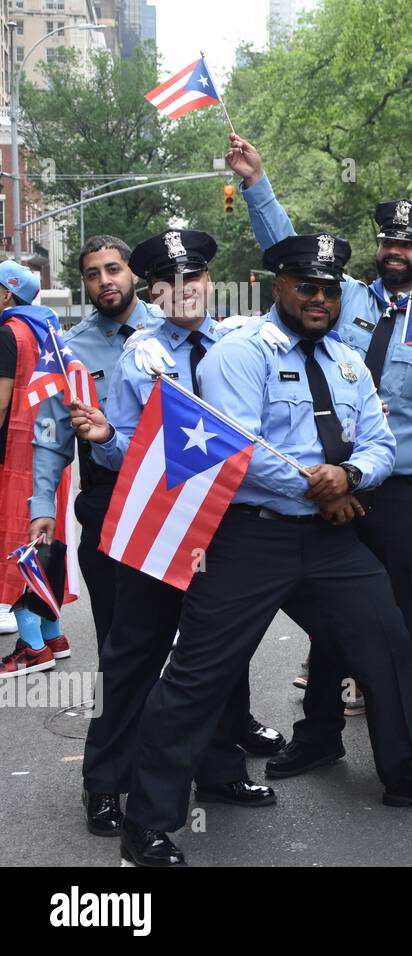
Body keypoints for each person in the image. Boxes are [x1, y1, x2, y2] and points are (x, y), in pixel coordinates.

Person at [118, 233, 412, 866]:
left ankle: (408, 776)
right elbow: (238, 447)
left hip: (331, 539)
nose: (319, 298)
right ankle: (147, 822)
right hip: (251, 537)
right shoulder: (239, 353)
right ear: (276, 286)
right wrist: (321, 487)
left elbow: (380, 442)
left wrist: (354, 478)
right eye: (305, 285)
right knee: (198, 675)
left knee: (389, 646)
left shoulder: (347, 361)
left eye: (330, 288)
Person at [225, 134, 412, 770]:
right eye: (386, 241)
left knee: (394, 625)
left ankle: (398, 758)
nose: (393, 252)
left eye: (406, 244)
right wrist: (256, 182)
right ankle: (318, 738)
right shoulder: (347, 297)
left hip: (408, 495)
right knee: (331, 620)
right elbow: (285, 250)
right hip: (328, 489)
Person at [70, 230, 283, 838]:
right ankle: (106, 784)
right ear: (154, 292)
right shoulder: (141, 355)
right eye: (168, 284)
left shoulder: (243, 343)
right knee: (133, 655)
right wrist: (104, 439)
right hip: (161, 524)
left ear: (209, 284)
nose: (183, 293)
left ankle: (218, 768)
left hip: (228, 525)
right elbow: (123, 456)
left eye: (193, 280)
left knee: (218, 658)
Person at [29, 237, 163, 653]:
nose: (105, 281)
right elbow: (50, 436)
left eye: (113, 269)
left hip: (175, 496)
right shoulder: (69, 350)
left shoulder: (171, 327)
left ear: (133, 273)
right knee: (116, 632)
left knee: (198, 629)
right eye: (93, 274)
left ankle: (227, 718)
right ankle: (118, 717)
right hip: (109, 503)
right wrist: (43, 507)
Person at [0, 265, 72, 679]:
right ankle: (53, 633)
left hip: (15, 457)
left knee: (17, 549)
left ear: (7, 295)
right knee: (45, 545)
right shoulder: (49, 331)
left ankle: (32, 646)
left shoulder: (8, 333)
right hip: (47, 455)